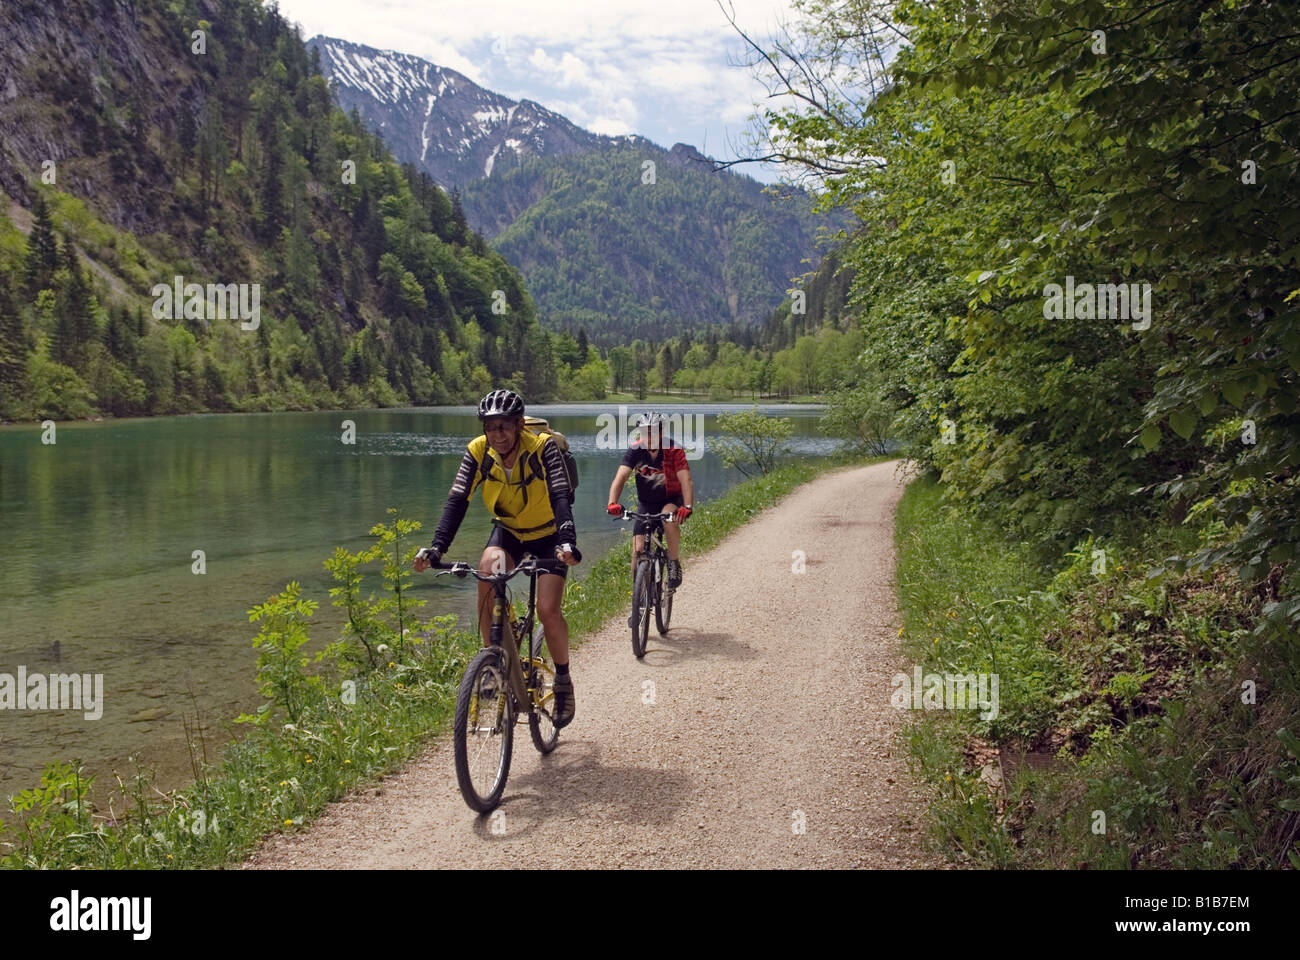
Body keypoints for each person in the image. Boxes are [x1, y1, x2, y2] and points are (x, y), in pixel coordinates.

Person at [414, 389, 580, 727]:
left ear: (520, 425)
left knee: (548, 610)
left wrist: (567, 541)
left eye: (504, 426)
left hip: (550, 534)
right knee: (488, 575)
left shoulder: (542, 447)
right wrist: (437, 548)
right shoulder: (478, 452)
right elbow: (458, 499)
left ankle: (562, 681)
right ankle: (493, 664)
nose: (497, 434)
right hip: (508, 531)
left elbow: (561, 495)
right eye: (490, 427)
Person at [606, 412, 694, 624]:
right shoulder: (636, 449)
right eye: (645, 432)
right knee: (637, 550)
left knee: (668, 518)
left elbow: (686, 479)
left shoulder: (674, 449)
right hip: (646, 503)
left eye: (653, 432)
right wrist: (612, 503)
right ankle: (639, 602)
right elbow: (621, 476)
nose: (649, 436)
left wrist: (688, 505)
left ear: (661, 432)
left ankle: (673, 563)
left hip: (670, 499)